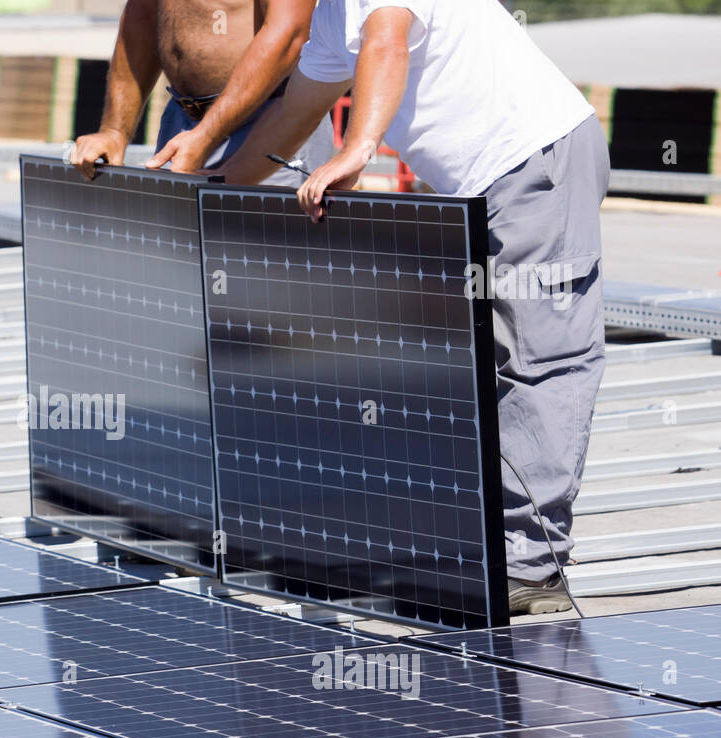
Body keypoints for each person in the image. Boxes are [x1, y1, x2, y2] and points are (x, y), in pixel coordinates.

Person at [216, 0, 608, 615]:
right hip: (477, 184)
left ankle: (534, 568)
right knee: (479, 361)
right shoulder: (331, 18)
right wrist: (213, 184)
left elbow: (386, 44)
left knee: (538, 359)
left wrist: (357, 148)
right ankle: (489, 549)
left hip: (536, 157)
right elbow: (295, 112)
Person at [68, 0, 332, 184]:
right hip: (182, 126)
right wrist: (114, 131)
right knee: (181, 257)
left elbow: (290, 33)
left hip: (269, 123)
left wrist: (205, 136)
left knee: (257, 257)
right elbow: (144, 13)